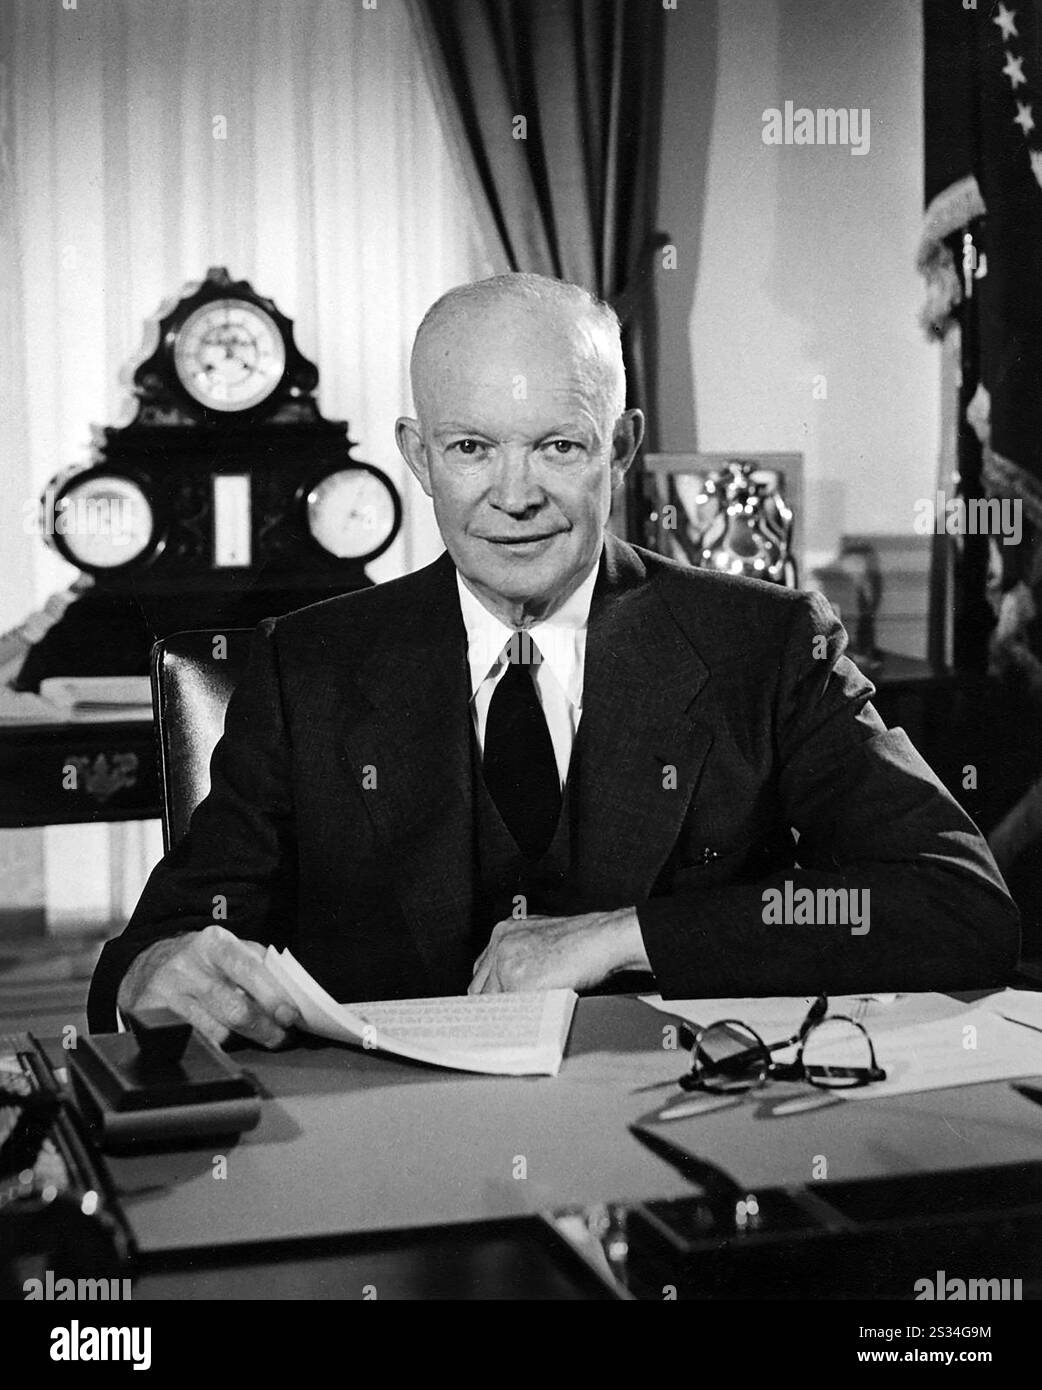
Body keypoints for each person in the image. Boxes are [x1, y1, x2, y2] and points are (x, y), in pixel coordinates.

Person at [88, 273, 1020, 1048]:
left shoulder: (764, 646)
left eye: (558, 446)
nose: (515, 495)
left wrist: (629, 935)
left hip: (669, 1139)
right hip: (390, 1160)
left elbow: (958, 906)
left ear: (620, 447)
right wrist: (153, 975)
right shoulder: (309, 668)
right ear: (417, 458)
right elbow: (159, 947)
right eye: (471, 449)